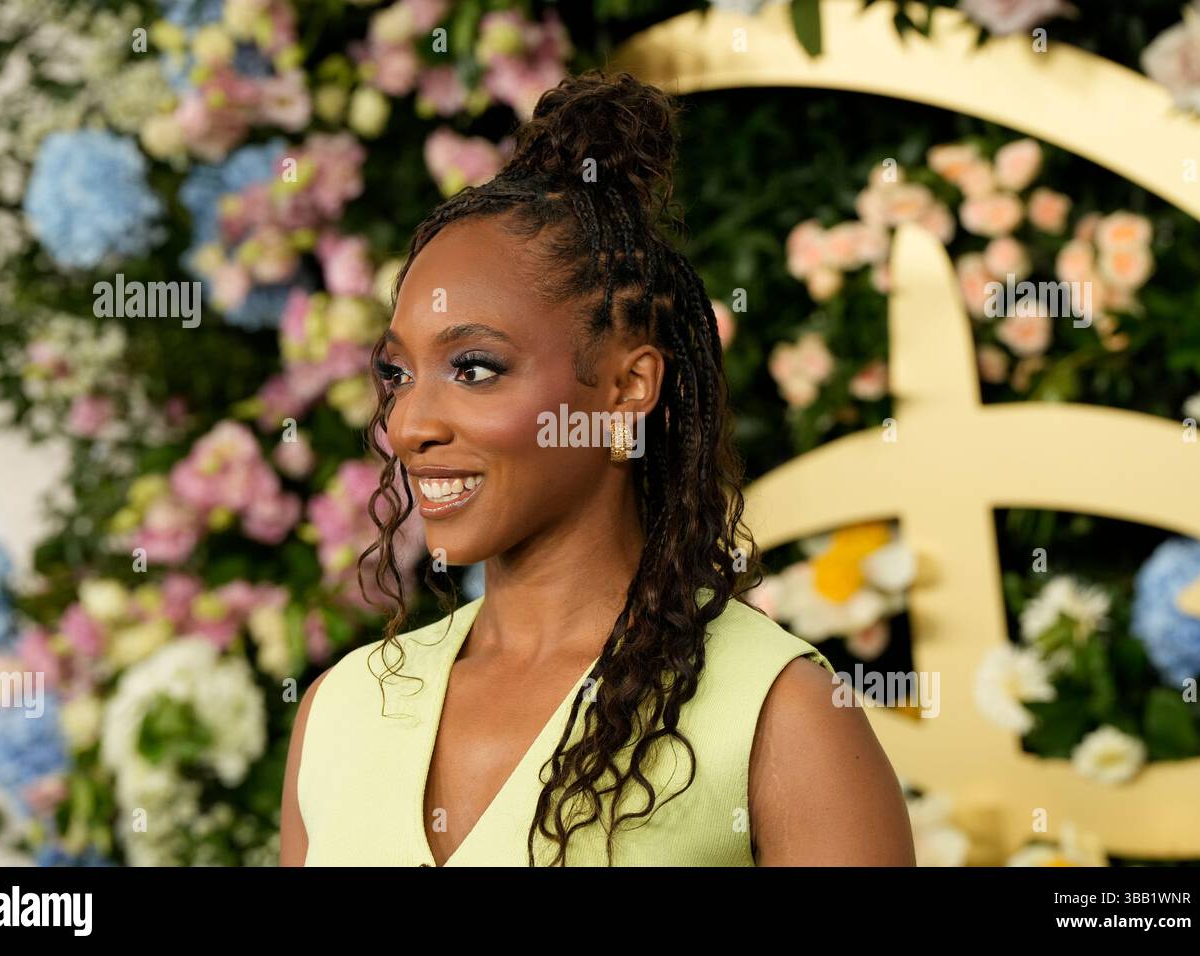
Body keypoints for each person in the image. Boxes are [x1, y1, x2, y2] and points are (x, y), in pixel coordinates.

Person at [280, 69, 915, 866]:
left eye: (474, 368)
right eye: (399, 374)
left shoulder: (780, 713)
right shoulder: (341, 710)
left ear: (625, 388)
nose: (408, 424)